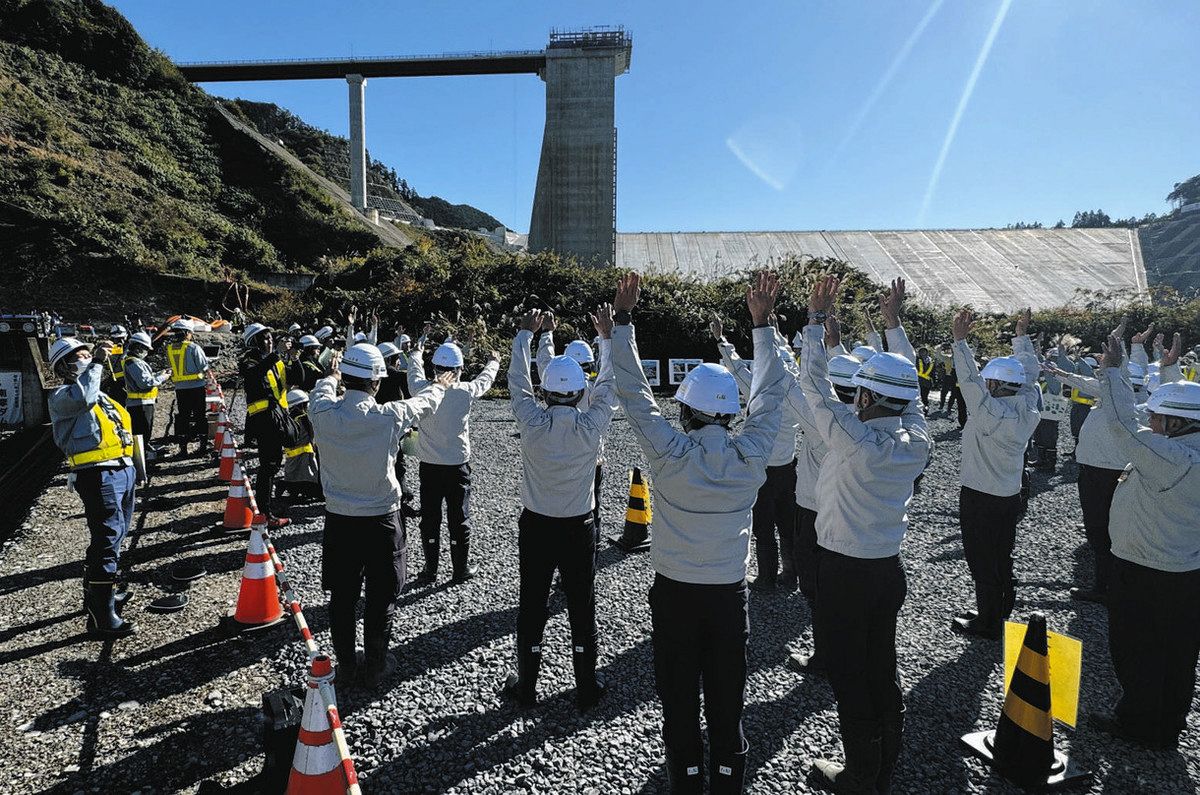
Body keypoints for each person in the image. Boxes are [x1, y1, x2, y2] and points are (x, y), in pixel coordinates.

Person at [611, 270, 785, 793]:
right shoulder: (751, 455)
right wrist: (762, 326)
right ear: (732, 411)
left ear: (685, 409)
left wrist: (623, 323)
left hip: (675, 595)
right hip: (729, 597)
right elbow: (773, 394)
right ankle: (729, 780)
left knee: (680, 697)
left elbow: (635, 393)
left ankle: (686, 776)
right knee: (728, 701)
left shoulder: (668, 455)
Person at [798, 275, 929, 794]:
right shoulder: (915, 437)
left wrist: (812, 320)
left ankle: (860, 773)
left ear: (868, 395)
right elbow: (910, 396)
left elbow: (812, 385)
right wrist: (893, 325)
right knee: (881, 665)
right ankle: (887, 758)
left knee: (849, 674)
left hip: (844, 572)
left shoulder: (854, 438)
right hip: (885, 569)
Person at [309, 345, 452, 688]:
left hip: (339, 520)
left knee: (342, 598)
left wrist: (331, 375)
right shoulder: (389, 416)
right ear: (376, 382)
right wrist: (440, 385)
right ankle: (375, 666)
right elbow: (424, 403)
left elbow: (322, 389)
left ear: (347, 378)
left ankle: (345, 665)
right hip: (381, 520)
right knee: (381, 595)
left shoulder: (322, 412)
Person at [1088, 332, 1200, 750]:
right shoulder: (1187, 449)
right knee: (1179, 654)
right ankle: (1168, 724)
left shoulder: (1172, 458)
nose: (1149, 422)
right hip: (1187, 570)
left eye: (1157, 416)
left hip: (1146, 571)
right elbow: (1172, 404)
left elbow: (1119, 425)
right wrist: (1170, 371)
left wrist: (1113, 371)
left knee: (1137, 651)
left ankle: (1139, 723)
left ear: (1175, 424)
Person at [502, 306, 616, 713]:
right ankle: (586, 687)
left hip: (536, 525)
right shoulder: (591, 427)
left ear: (545, 392)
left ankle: (527, 688)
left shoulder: (533, 423)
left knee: (532, 605)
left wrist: (524, 337)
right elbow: (608, 386)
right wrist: (606, 338)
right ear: (579, 391)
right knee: (582, 606)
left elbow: (517, 383)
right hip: (579, 526)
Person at [950, 308, 1041, 639]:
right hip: (1008, 494)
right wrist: (1021, 337)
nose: (985, 384)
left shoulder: (989, 412)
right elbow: (1030, 373)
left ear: (998, 384)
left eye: (991, 380)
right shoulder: (1029, 404)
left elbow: (969, 382)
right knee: (1002, 553)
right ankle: (1000, 610)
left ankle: (988, 622)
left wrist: (960, 343)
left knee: (981, 558)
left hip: (979, 494)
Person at [47, 336, 138, 639]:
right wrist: (97, 362)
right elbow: (83, 397)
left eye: (88, 353)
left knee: (117, 534)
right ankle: (102, 615)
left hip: (121, 470)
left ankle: (102, 595)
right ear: (66, 366)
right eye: (81, 355)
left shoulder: (100, 395)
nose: (87, 357)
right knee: (107, 539)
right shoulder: (63, 396)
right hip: (98, 476)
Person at [711, 313, 801, 593]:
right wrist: (775, 332)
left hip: (762, 469)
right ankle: (791, 574)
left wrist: (720, 339)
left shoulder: (761, 391)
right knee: (787, 523)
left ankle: (766, 578)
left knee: (763, 524)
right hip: (789, 466)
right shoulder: (800, 396)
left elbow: (736, 368)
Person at [408, 333, 500, 585]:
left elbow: (413, 372)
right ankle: (460, 570)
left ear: (435, 368)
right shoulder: (465, 391)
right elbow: (485, 380)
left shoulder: (421, 390)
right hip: (458, 465)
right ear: (459, 369)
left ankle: (430, 570)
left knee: (430, 518)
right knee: (459, 517)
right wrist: (494, 361)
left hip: (429, 466)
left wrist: (416, 353)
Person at [536, 313, 613, 536]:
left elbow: (545, 363)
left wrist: (547, 333)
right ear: (589, 364)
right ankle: (592, 545)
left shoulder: (554, 383)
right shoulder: (596, 391)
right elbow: (609, 375)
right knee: (592, 506)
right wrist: (606, 337)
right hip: (592, 458)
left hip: (551, 455)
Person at [239, 322, 291, 529]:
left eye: (270, 339)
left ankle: (265, 508)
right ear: (254, 342)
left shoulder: (273, 360)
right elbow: (253, 375)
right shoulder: (248, 361)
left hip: (277, 416)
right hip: (263, 420)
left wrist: (293, 359)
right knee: (268, 466)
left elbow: (294, 379)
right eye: (264, 339)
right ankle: (265, 512)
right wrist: (275, 355)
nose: (269, 342)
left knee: (273, 464)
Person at [121, 331, 170, 460]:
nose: (147, 352)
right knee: (141, 435)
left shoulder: (135, 362)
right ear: (139, 348)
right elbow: (145, 383)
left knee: (144, 434)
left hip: (143, 403)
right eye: (146, 349)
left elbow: (146, 377)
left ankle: (144, 459)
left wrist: (159, 373)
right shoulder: (134, 362)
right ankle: (142, 462)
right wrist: (163, 377)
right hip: (140, 404)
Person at [166, 319, 210, 457]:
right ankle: (202, 447)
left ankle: (183, 449)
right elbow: (204, 367)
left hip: (180, 389)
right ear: (187, 333)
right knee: (200, 417)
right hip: (197, 388)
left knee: (183, 418)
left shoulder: (169, 349)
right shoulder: (193, 348)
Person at [280, 388, 322, 502]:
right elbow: (313, 433)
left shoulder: (288, 420)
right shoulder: (303, 419)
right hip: (305, 457)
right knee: (308, 478)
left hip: (293, 458)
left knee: (294, 476)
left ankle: (288, 487)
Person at [101, 324, 128, 404]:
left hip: (127, 383)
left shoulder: (129, 347)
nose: (121, 342)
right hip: (114, 383)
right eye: (118, 339)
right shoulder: (108, 349)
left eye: (123, 338)